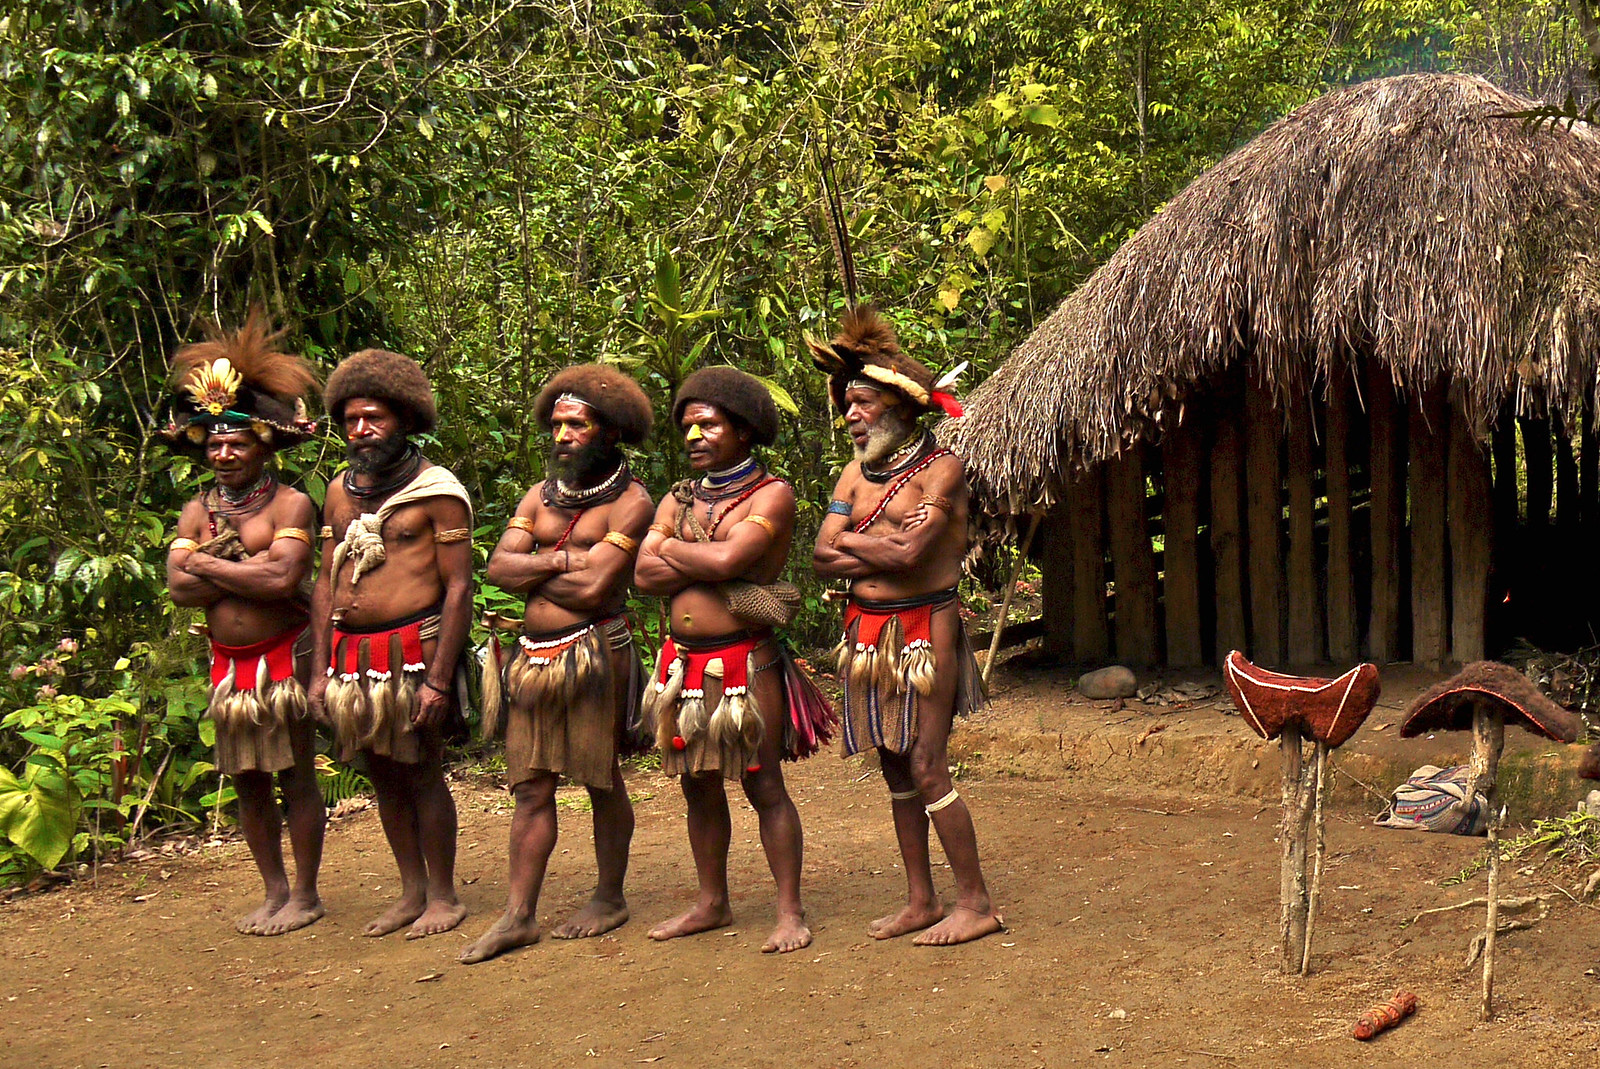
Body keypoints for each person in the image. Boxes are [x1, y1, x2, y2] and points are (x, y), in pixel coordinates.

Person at [809, 305, 1001, 945]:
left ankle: (975, 903)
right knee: (893, 766)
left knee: (926, 763)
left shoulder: (943, 469)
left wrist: (857, 544)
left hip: (926, 628)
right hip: (866, 632)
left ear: (899, 406)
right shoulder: (853, 476)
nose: (851, 416)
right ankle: (921, 900)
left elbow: (914, 556)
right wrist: (881, 545)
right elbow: (818, 556)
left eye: (861, 402)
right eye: (848, 404)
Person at [634, 367, 835, 954]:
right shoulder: (679, 496)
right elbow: (644, 575)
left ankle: (790, 911)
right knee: (696, 783)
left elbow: (730, 562)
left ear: (744, 431)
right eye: (688, 427)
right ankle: (710, 902)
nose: (694, 436)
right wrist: (699, 552)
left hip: (746, 661)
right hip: (684, 665)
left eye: (709, 424)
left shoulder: (772, 493)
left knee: (762, 782)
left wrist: (670, 546)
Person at [459, 365, 655, 963]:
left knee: (599, 779)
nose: (563, 435)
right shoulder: (538, 496)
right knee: (530, 786)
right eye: (557, 425)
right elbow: (497, 568)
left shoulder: (633, 502)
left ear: (609, 432)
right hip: (534, 659)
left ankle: (610, 896)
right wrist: (569, 559)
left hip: (597, 652)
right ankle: (518, 915)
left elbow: (599, 589)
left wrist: (540, 564)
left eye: (577, 424)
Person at [161, 308, 326, 936]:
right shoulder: (195, 508)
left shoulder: (291, 503)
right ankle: (274, 889)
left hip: (286, 653)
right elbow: (178, 589)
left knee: (294, 773)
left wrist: (208, 560)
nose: (224, 452)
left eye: (238, 441)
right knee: (248, 780)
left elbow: (283, 579)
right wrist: (232, 562)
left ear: (265, 445)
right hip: (229, 666)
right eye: (215, 442)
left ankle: (306, 893)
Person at [309, 348, 474, 940]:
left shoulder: (437, 491)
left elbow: (459, 589)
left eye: (374, 418)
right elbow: (325, 581)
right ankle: (411, 890)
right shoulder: (338, 491)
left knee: (423, 770)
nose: (362, 430)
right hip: (353, 657)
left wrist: (437, 678)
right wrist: (319, 671)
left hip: (414, 650)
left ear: (404, 419)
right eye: (352, 420)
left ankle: (446, 896)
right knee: (381, 772)